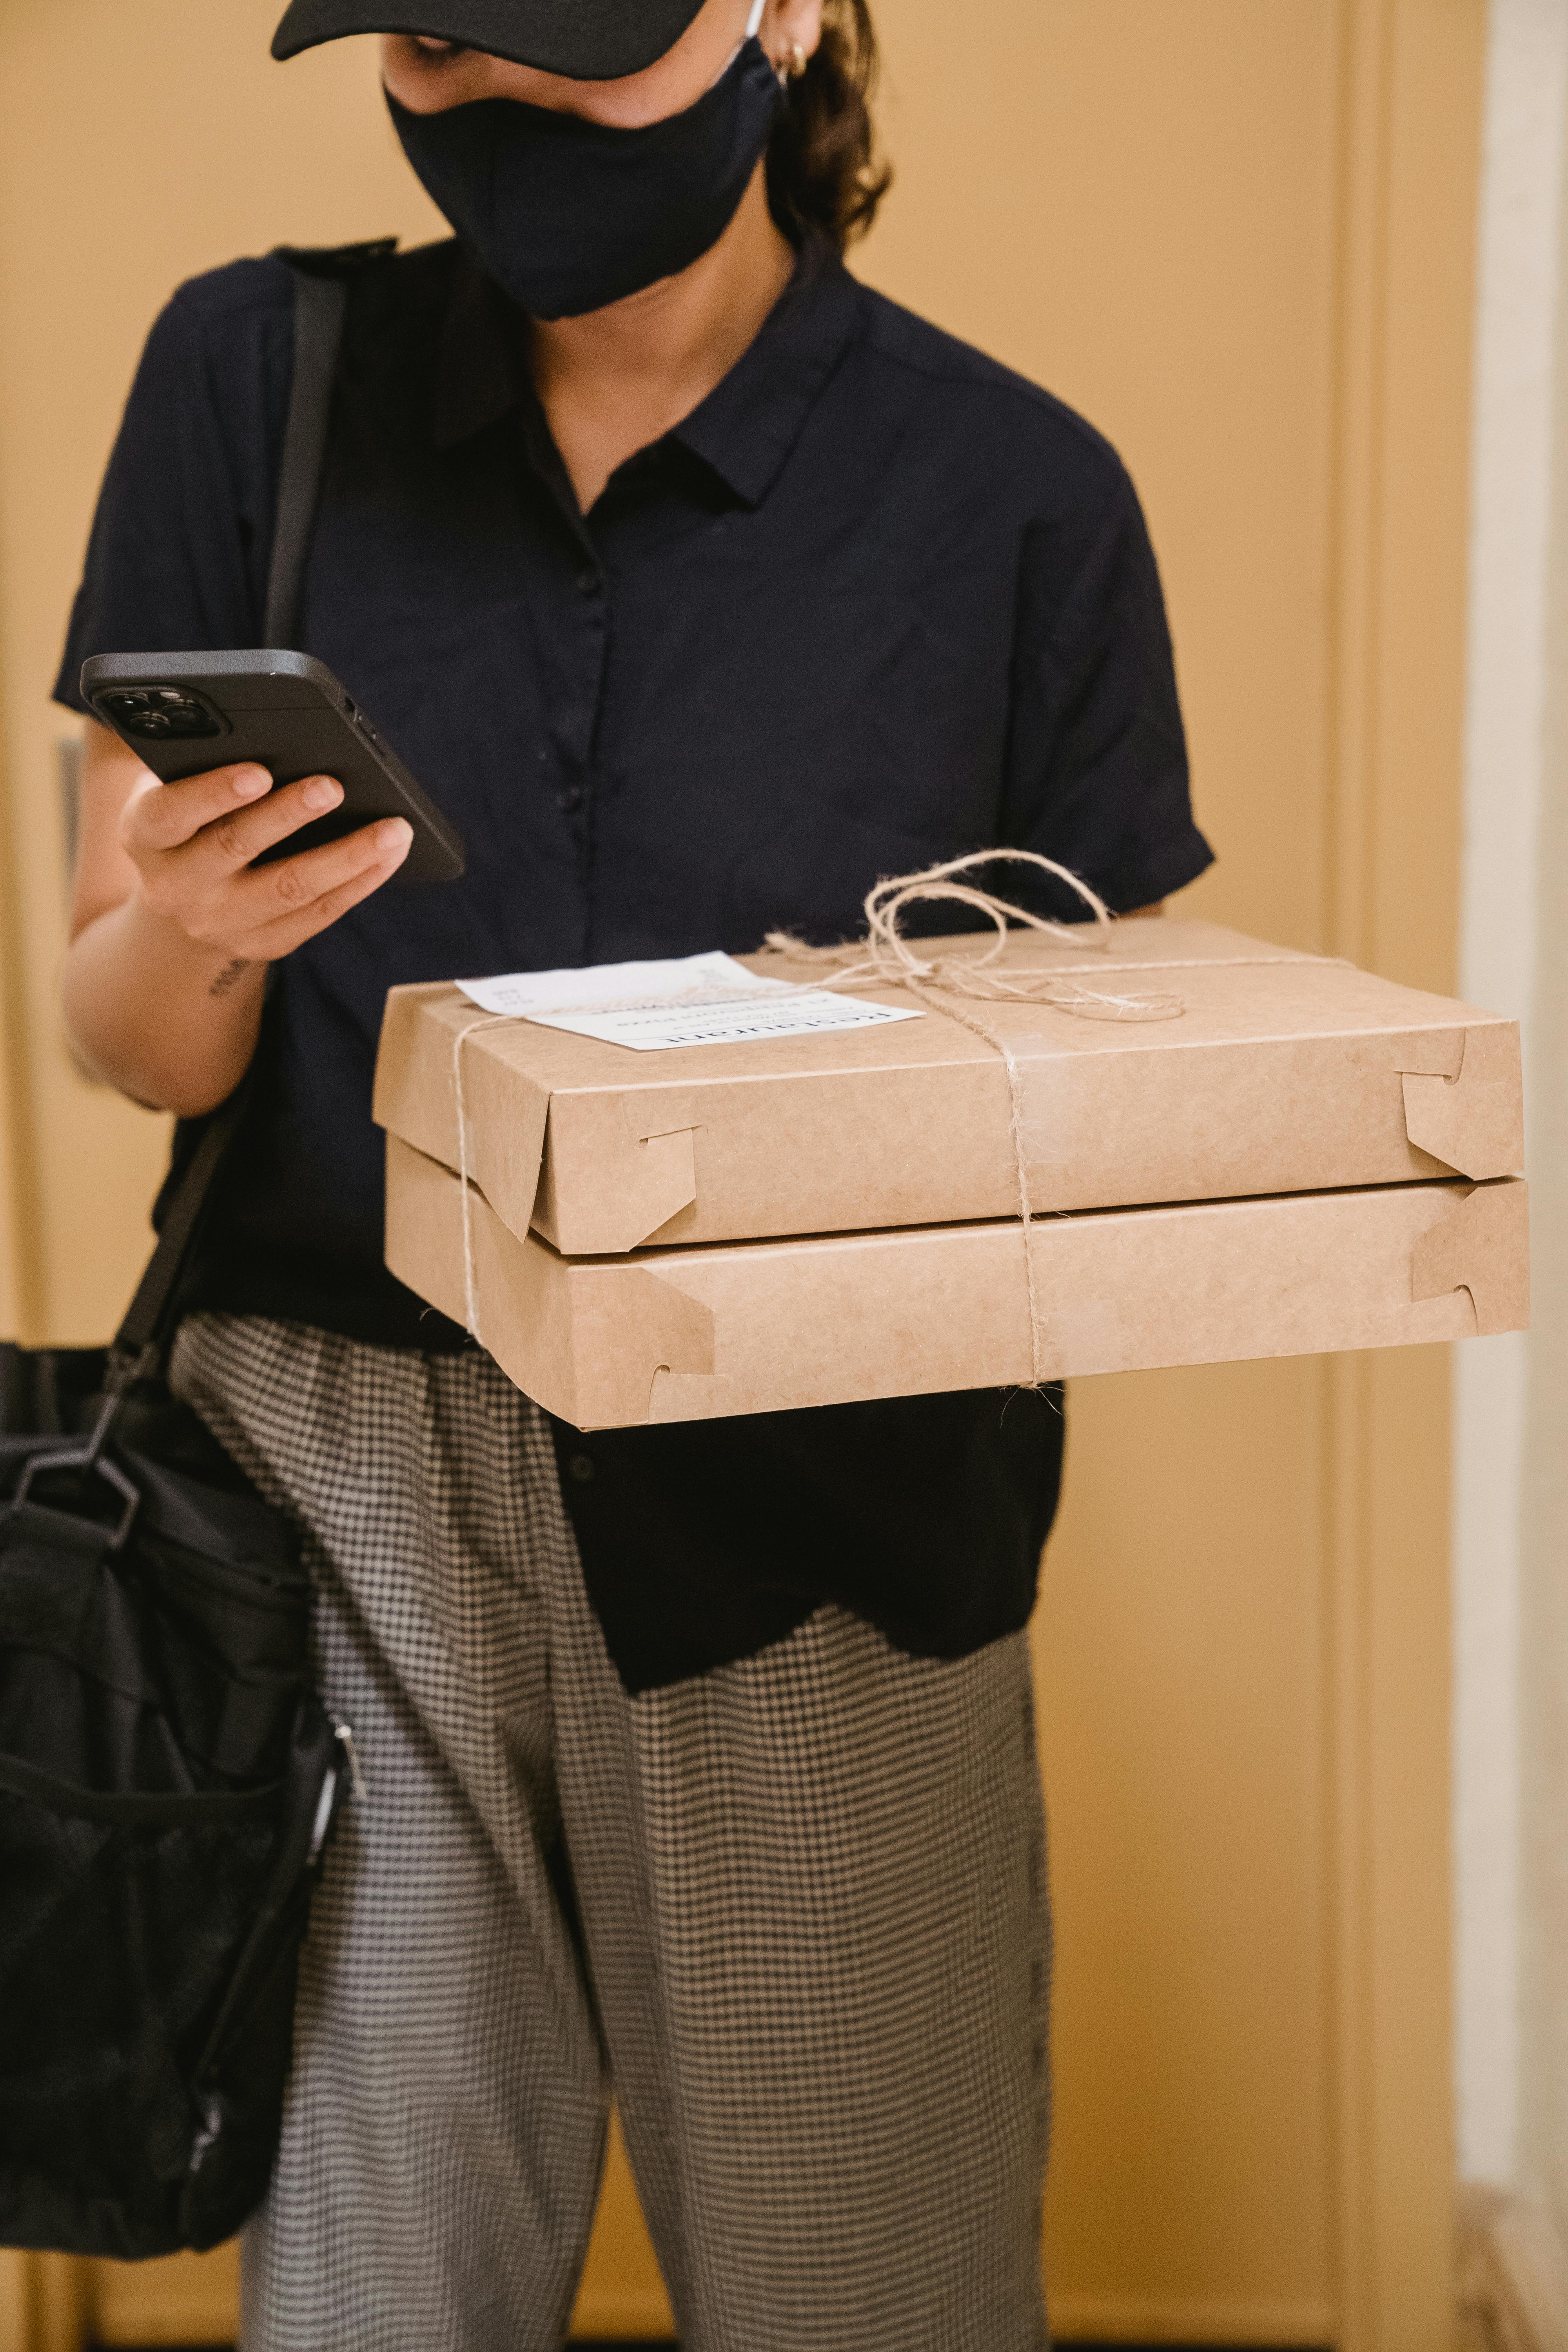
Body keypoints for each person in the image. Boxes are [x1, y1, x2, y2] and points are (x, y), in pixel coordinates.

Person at [57, 2, 1213, 2345]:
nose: (489, 102)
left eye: (562, 47)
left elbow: (1097, 1133)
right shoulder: (246, 382)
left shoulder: (1020, 499)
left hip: (824, 1522)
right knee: (375, 2303)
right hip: (341, 1495)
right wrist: (180, 932)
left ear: (778, 19)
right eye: (432, 47)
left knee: (857, 2293)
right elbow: (124, 1042)